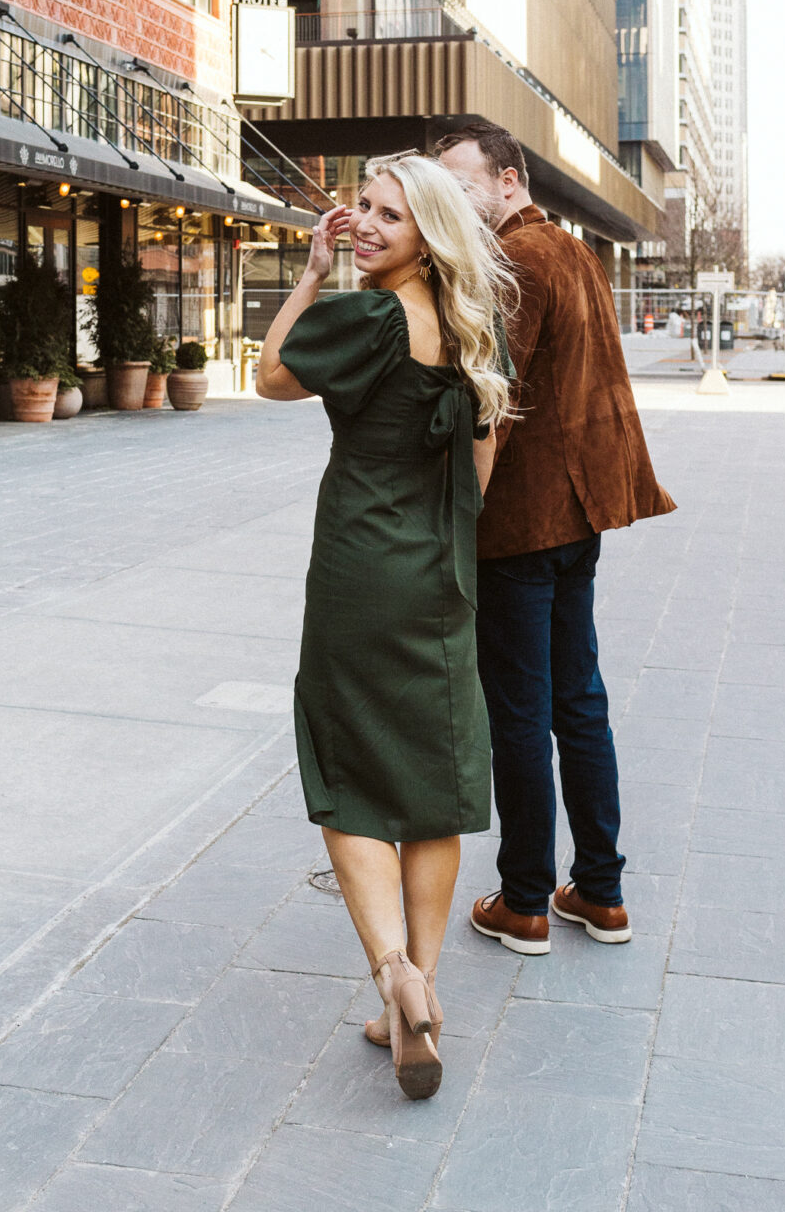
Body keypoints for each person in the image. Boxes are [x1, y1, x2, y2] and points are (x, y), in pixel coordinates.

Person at [256, 150, 515, 1099]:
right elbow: (481, 471)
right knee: (432, 780)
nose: (361, 223)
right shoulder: (470, 324)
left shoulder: (367, 316)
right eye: (359, 207)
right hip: (438, 576)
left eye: (385, 218)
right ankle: (424, 989)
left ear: (426, 236)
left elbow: (271, 376)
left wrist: (314, 274)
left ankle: (393, 977)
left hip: (358, 571)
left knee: (353, 775)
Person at [435, 123, 676, 955]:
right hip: (578, 518)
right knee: (579, 703)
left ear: (507, 180)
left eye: (460, 185)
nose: (452, 202)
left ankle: (526, 898)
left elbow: (485, 400)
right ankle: (600, 892)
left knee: (520, 712)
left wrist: (454, 519)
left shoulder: (514, 261)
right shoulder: (571, 251)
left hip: (523, 525)